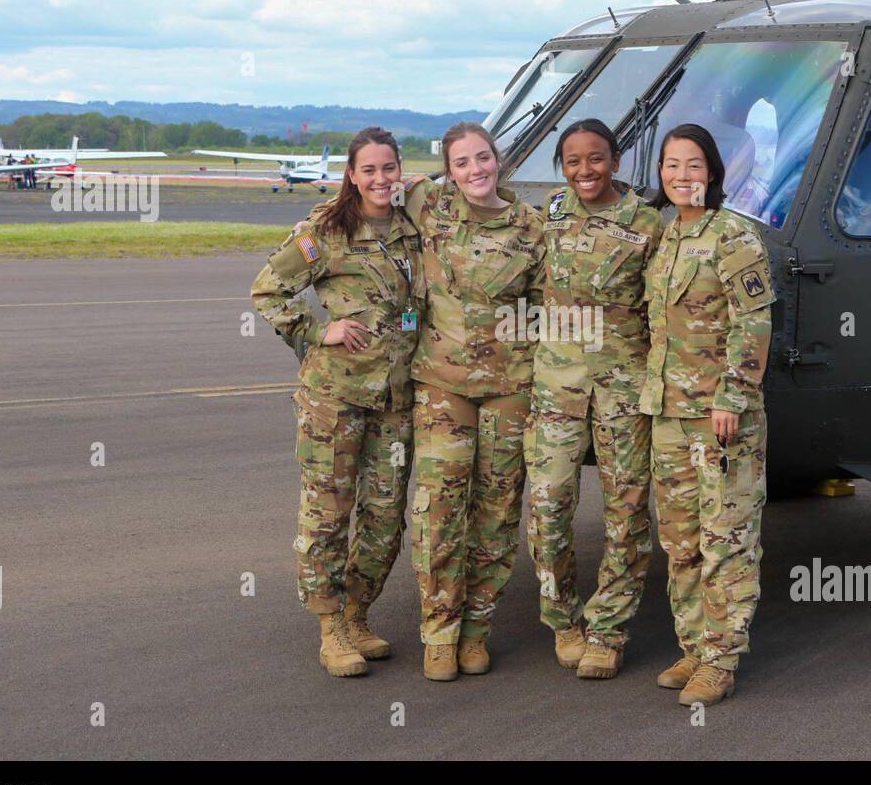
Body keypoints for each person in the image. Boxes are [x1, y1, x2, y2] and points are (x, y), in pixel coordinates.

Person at [251, 126, 425, 678]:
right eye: (369, 170)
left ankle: (357, 613)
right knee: (328, 514)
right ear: (351, 174)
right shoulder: (324, 230)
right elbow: (267, 289)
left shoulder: (412, 229)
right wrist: (314, 330)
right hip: (336, 398)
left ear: (401, 171)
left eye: (389, 168)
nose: (380, 179)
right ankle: (330, 626)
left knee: (384, 516)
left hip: (395, 399)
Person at [402, 121, 546, 681]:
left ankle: (476, 629)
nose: (474, 170)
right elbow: (363, 196)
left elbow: (546, 306)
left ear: (499, 159)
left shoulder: (532, 229)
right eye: (461, 163)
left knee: (496, 510)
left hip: (510, 386)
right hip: (443, 383)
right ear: (448, 169)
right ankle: (439, 631)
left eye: (482, 158)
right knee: (438, 507)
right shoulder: (428, 205)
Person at [524, 117, 665, 679]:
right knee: (547, 507)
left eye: (597, 158)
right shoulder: (550, 215)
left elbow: (664, 308)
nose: (586, 170)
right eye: (574, 160)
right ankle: (563, 620)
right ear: (562, 166)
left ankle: (608, 629)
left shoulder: (647, 223)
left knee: (626, 512)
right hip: (558, 386)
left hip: (622, 389)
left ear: (616, 160)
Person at [641, 123, 774, 706]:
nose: (681, 176)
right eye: (671, 165)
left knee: (728, 535)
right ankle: (695, 645)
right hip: (668, 412)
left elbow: (755, 322)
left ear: (713, 172)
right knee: (681, 540)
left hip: (719, 414)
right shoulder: (667, 238)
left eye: (692, 165)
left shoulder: (733, 236)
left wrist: (733, 396)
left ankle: (721, 658)